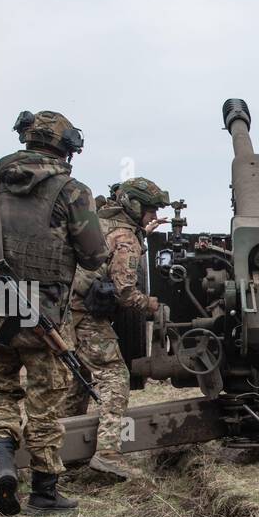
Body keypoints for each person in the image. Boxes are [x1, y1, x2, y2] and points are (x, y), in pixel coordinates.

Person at [0, 109, 106, 516]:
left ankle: (4, 464)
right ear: (66, 149)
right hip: (42, 315)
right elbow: (94, 255)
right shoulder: (73, 191)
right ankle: (45, 492)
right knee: (45, 403)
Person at [66, 177, 170, 480]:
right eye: (149, 210)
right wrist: (150, 304)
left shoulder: (100, 222)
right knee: (114, 375)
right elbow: (125, 292)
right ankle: (107, 453)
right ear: (134, 206)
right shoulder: (125, 237)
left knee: (77, 381)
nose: (152, 216)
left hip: (64, 313)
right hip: (86, 317)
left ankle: (61, 455)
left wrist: (142, 233)